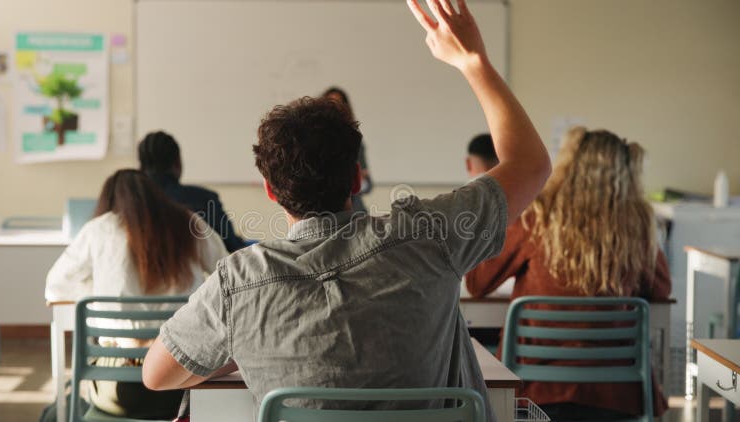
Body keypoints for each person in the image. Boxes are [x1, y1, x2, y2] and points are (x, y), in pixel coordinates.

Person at [142, 2, 551, 421]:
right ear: (357, 179)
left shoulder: (239, 284)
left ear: (270, 190)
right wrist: (473, 61)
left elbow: (155, 376)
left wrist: (242, 343)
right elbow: (531, 164)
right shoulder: (431, 235)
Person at [465, 127, 672, 421]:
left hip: (536, 390)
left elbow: (477, 283)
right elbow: (661, 289)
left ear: (566, 166)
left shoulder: (537, 218)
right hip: (617, 394)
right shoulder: (638, 226)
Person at [45, 169, 228, 420]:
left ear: (109, 202)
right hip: (182, 385)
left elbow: (55, 285)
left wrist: (97, 294)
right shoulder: (189, 222)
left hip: (117, 391)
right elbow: (229, 274)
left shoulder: (99, 229)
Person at [138, 131, 247, 252]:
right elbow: (233, 247)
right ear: (177, 163)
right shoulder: (205, 200)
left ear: (140, 167)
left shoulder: (131, 203)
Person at [322, 87, 373, 213]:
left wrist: (359, 179)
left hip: (354, 212)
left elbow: (368, 186)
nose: (335, 108)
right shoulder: (312, 141)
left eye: (339, 104)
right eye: (330, 104)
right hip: (324, 213)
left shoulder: (354, 139)